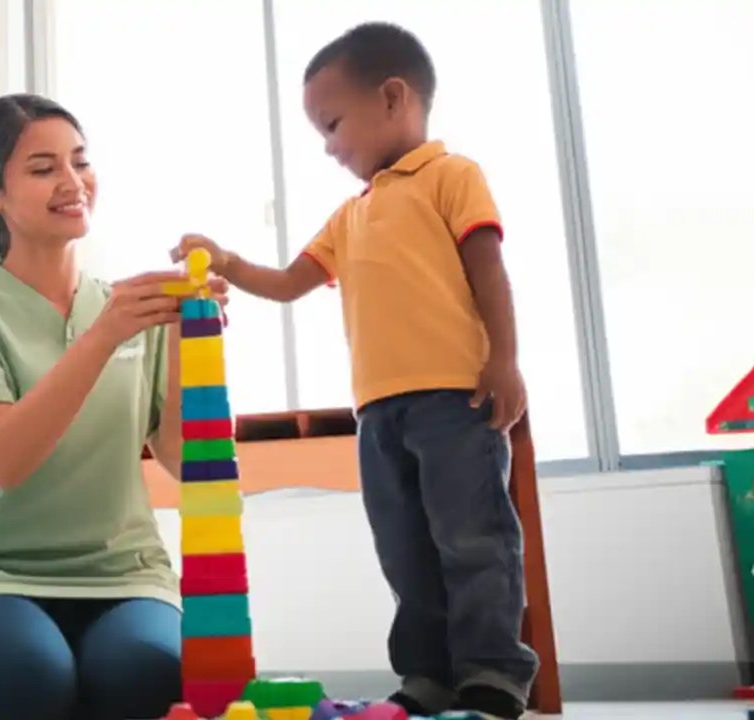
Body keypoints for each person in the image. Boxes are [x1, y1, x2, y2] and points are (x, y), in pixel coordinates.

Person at [173, 22, 538, 720]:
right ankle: (427, 674)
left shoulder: (451, 176)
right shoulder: (351, 214)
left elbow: (488, 268)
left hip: (456, 397)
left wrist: (505, 358)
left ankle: (492, 670)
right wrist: (224, 260)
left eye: (333, 123)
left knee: (474, 538)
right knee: (404, 549)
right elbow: (285, 281)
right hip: (378, 411)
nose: (329, 145)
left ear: (394, 98)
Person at [0, 93, 225, 720]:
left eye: (79, 162)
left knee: (150, 674)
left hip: (127, 574)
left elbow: (187, 464)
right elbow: (4, 459)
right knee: (24, 674)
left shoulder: (132, 309)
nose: (72, 182)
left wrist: (195, 342)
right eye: (42, 167)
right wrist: (103, 337)